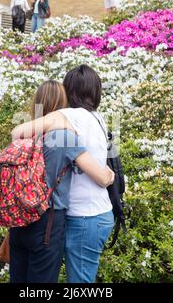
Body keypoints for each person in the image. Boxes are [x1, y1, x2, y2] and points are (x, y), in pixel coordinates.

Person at [12, 65, 115, 283]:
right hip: (91, 213)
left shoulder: (61, 120)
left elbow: (16, 132)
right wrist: (108, 175)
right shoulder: (97, 119)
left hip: (76, 216)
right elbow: (102, 169)